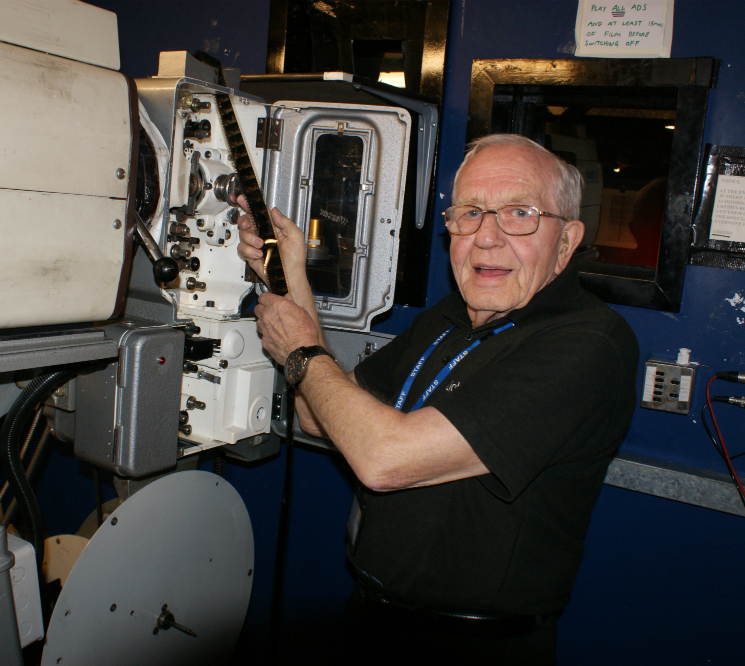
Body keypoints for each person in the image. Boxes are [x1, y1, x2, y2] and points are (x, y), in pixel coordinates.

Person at [237, 134, 639, 664]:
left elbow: (384, 459)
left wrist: (302, 349)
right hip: (370, 616)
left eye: (520, 213)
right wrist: (292, 280)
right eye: (470, 213)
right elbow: (317, 414)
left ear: (566, 241)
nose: (487, 238)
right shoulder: (445, 318)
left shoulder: (589, 344)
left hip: (474, 646)